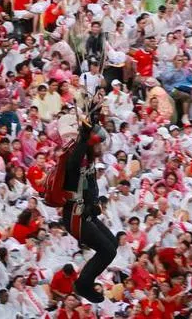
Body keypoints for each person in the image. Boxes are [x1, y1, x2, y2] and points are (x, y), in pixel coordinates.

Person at [55, 98, 116, 303]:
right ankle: (83, 284)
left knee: (112, 245)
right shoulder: (74, 154)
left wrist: (92, 112)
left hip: (85, 211)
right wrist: (85, 137)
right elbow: (74, 164)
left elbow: (91, 181)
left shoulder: (87, 156)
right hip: (75, 215)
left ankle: (86, 281)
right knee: (106, 251)